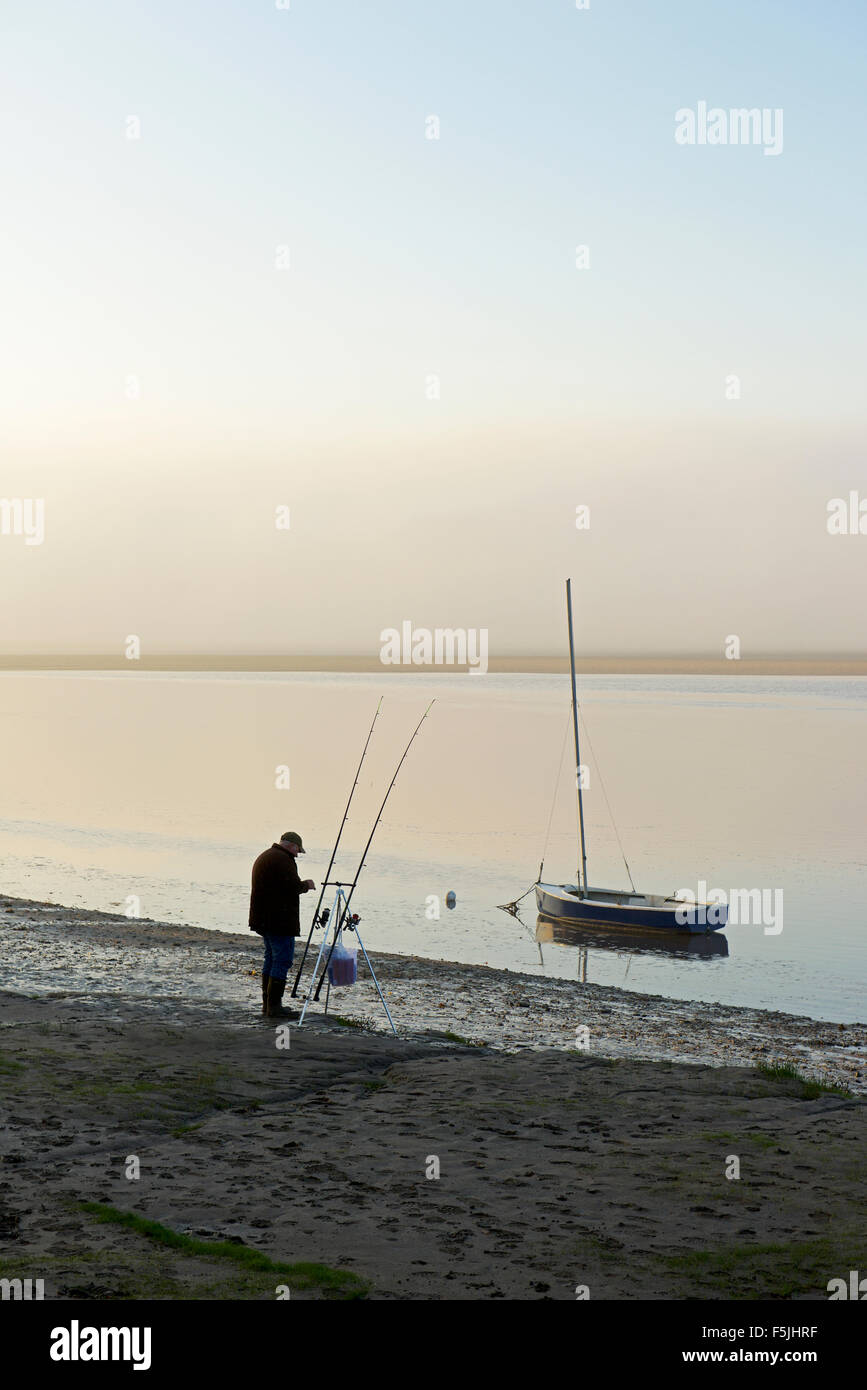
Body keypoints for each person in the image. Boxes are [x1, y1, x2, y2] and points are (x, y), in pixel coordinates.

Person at [249, 831, 315, 1019]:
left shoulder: (268, 856)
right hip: (278, 921)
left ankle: (267, 1005)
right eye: (297, 851)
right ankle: (274, 1007)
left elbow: (280, 887)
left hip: (264, 919)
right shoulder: (282, 860)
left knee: (271, 958)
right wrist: (307, 885)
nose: (297, 855)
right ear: (291, 846)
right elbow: (291, 887)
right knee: (282, 960)